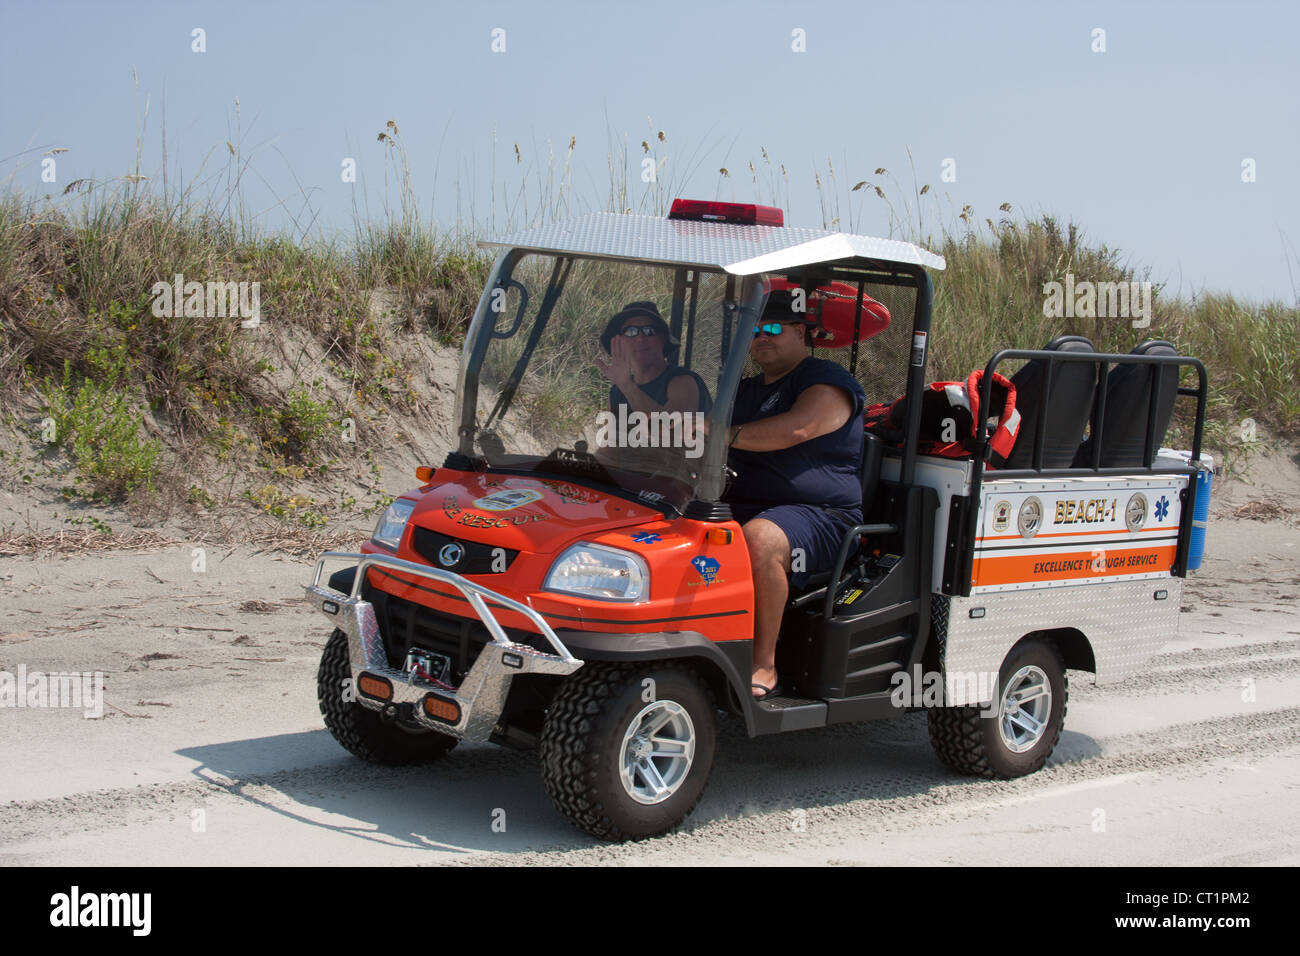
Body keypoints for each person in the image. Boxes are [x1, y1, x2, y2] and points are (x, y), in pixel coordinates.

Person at [723, 289, 866, 700]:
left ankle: (762, 664)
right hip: (747, 503)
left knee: (760, 540)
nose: (760, 337)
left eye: (771, 327)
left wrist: (722, 434)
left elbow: (798, 428)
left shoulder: (827, 380)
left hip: (822, 517)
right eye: (752, 330)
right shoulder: (744, 390)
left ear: (802, 333)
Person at [596, 301, 711, 417]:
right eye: (631, 331)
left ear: (663, 339)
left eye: (649, 331)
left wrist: (627, 386)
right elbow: (607, 434)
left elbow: (673, 430)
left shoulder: (684, 382)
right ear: (620, 341)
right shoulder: (617, 392)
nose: (640, 338)